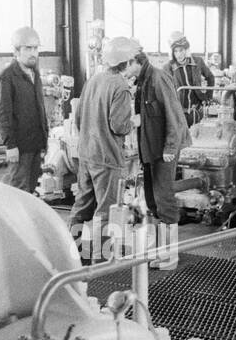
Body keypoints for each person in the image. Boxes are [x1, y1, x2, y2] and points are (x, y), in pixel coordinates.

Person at [69, 36, 142, 260]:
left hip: (86, 154)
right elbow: (119, 126)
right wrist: (135, 121)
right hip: (107, 158)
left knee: (82, 205)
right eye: (134, 62)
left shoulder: (94, 79)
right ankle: (100, 260)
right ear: (127, 62)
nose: (135, 67)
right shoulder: (120, 87)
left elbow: (79, 118)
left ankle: (73, 253)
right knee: (106, 210)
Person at [134, 46, 191, 235]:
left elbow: (174, 116)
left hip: (164, 148)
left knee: (163, 197)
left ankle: (169, 255)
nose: (123, 70)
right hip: (150, 147)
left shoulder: (158, 78)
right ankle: (159, 245)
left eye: (125, 65)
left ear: (137, 62)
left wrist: (170, 148)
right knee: (151, 198)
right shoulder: (142, 81)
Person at [0, 26, 49, 193]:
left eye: (36, 48)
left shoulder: (35, 74)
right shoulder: (6, 77)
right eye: (28, 48)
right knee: (18, 190)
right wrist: (10, 145)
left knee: (30, 190)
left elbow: (39, 109)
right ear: (16, 51)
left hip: (36, 144)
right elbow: (1, 115)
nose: (33, 53)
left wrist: (44, 138)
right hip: (20, 147)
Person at [163, 30, 215, 127]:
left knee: (197, 137)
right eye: (175, 51)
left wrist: (208, 96)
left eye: (181, 50)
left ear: (186, 50)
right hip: (178, 112)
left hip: (196, 110)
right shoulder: (168, 67)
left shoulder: (197, 61)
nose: (179, 54)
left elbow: (210, 77)